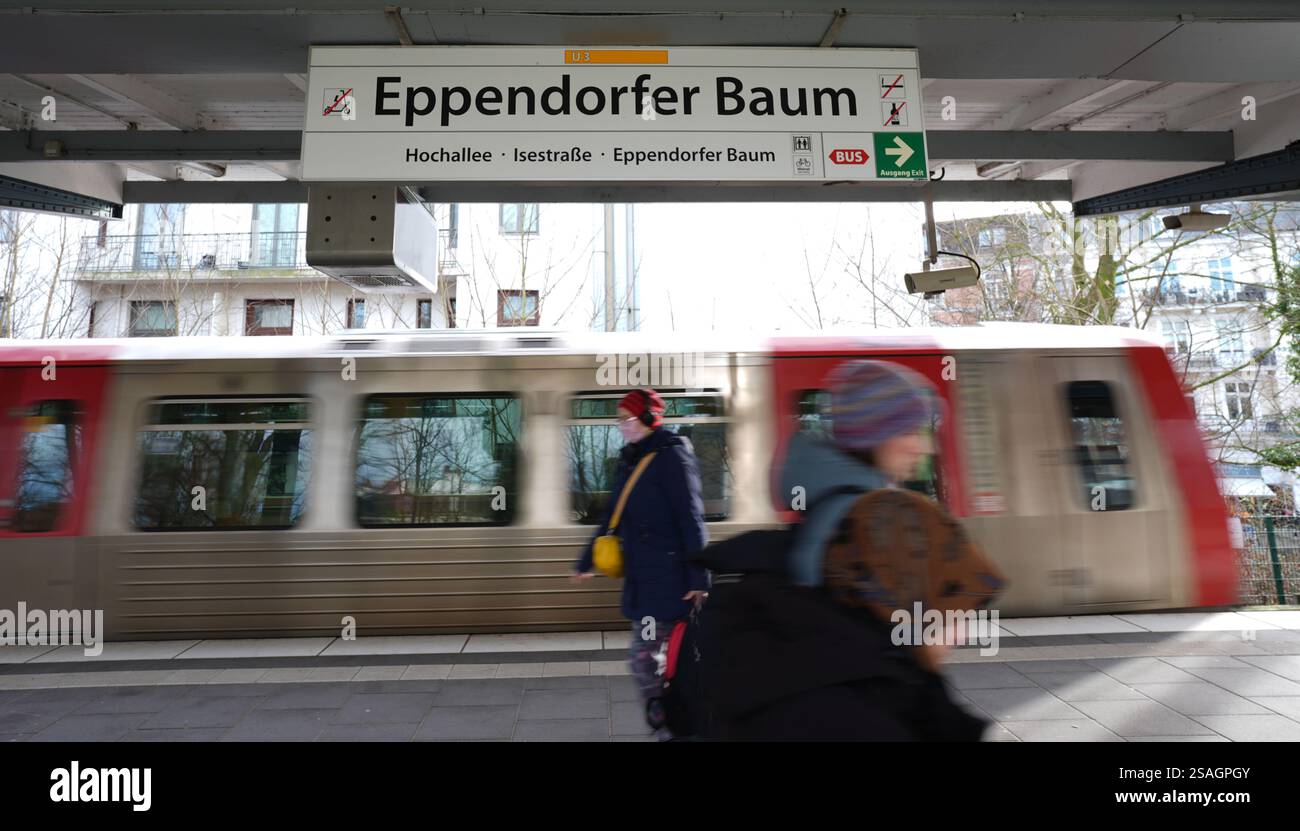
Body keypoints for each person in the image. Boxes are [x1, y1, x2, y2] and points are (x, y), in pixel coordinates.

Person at [695, 360, 1006, 740]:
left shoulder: (848, 505)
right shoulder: (869, 518)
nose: (924, 445)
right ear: (877, 434)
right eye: (912, 429)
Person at [572, 388, 709, 740]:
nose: (620, 426)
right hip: (643, 578)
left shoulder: (672, 458)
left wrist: (699, 578)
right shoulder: (629, 459)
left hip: (668, 581)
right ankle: (671, 720)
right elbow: (612, 519)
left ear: (649, 419)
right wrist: (586, 561)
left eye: (626, 419)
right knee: (653, 661)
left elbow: (691, 519)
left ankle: (668, 724)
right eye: (618, 420)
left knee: (643, 659)